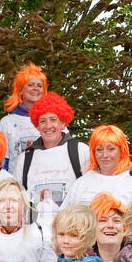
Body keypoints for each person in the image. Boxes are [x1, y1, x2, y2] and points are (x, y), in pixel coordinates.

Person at [16, 92, 90, 239]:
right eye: (43, 121)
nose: (48, 126)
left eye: (53, 120)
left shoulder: (80, 151)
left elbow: (92, 193)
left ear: (63, 122)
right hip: (35, 237)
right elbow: (18, 200)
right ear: (36, 125)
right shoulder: (24, 159)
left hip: (73, 236)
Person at [67, 124, 132, 209]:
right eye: (99, 149)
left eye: (111, 149)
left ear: (121, 151)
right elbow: (63, 217)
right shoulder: (81, 183)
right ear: (93, 153)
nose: (105, 155)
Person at [0, 62, 46, 171]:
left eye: (39, 86)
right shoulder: (7, 122)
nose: (35, 88)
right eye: (30, 85)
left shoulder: (53, 121)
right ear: (20, 90)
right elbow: (2, 161)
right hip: (16, 184)